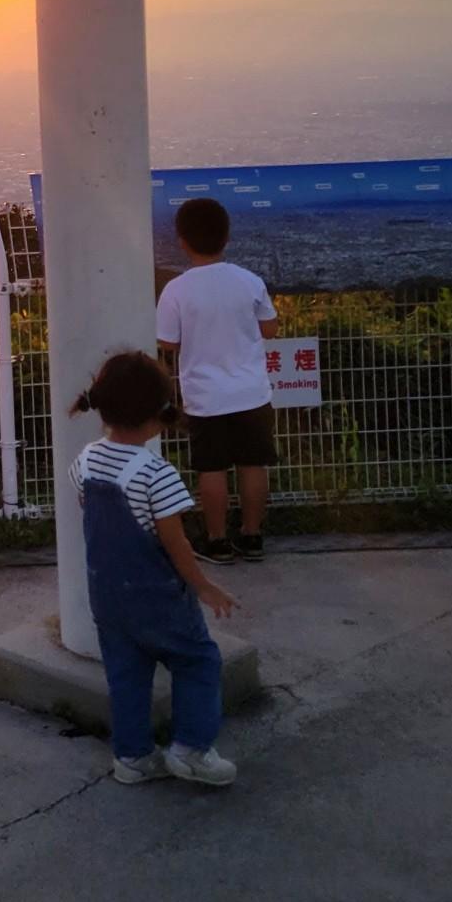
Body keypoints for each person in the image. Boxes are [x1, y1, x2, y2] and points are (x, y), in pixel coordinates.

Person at [71, 350, 239, 787]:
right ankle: (192, 750)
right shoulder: (155, 473)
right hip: (158, 598)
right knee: (198, 660)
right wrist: (202, 586)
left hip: (106, 597)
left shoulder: (86, 460)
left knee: (126, 675)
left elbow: (90, 514)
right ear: (156, 414)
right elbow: (175, 542)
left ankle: (132, 758)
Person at [156, 196, 280, 566]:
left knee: (212, 468)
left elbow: (168, 341)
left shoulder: (176, 290)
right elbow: (270, 328)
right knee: (253, 464)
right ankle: (253, 535)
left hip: (205, 396)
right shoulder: (248, 280)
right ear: (226, 237)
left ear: (182, 240)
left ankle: (217, 540)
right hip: (252, 391)